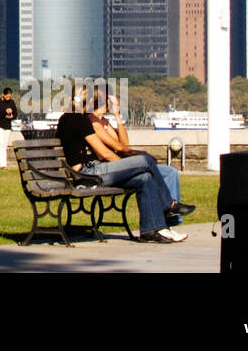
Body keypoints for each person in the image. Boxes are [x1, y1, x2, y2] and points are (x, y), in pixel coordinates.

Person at [56, 86, 194, 243]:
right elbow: (105, 152)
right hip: (88, 174)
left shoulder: (68, 118)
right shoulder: (78, 120)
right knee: (145, 161)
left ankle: (151, 231)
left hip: (88, 172)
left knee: (145, 178)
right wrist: (127, 166)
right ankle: (169, 205)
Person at [87, 86, 187, 233]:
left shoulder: (105, 122)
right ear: (103, 100)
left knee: (170, 172)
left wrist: (117, 115)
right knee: (147, 166)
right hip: (112, 167)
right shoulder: (93, 121)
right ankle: (168, 209)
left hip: (122, 163)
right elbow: (119, 148)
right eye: (110, 99)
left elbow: (124, 142)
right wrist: (136, 156)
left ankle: (170, 221)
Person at [0, 87, 18, 169]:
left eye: (10, 97)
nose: (8, 98)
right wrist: (4, 114)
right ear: (3, 94)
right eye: (7, 97)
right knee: (1, 144)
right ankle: (3, 165)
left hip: (7, 127)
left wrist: (12, 116)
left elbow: (15, 114)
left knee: (4, 146)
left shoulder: (12, 102)